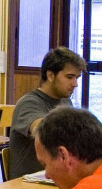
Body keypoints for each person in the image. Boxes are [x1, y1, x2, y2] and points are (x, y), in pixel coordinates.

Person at [10, 47, 86, 178]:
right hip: (29, 183)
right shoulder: (29, 103)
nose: (75, 84)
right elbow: (46, 133)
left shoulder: (65, 102)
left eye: (77, 78)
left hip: (56, 177)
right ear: (50, 75)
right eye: (69, 77)